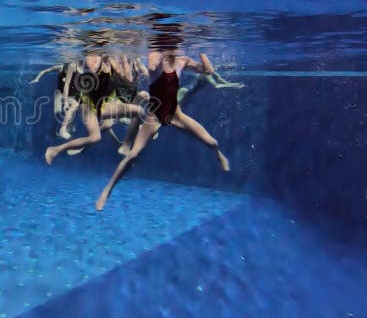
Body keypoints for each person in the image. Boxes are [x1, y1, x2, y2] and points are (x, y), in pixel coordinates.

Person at [96, 47, 230, 211]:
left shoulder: (183, 60)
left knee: (212, 142)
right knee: (133, 155)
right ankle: (107, 190)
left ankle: (219, 154)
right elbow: (152, 66)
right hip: (154, 116)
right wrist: (157, 57)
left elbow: (208, 72)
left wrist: (202, 55)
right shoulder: (156, 58)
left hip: (176, 115)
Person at [44, 54, 144, 165]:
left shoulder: (112, 61)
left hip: (104, 105)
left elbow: (126, 78)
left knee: (138, 111)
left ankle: (125, 146)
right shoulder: (92, 58)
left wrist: (121, 65)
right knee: (95, 137)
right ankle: (55, 150)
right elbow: (91, 70)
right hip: (88, 105)